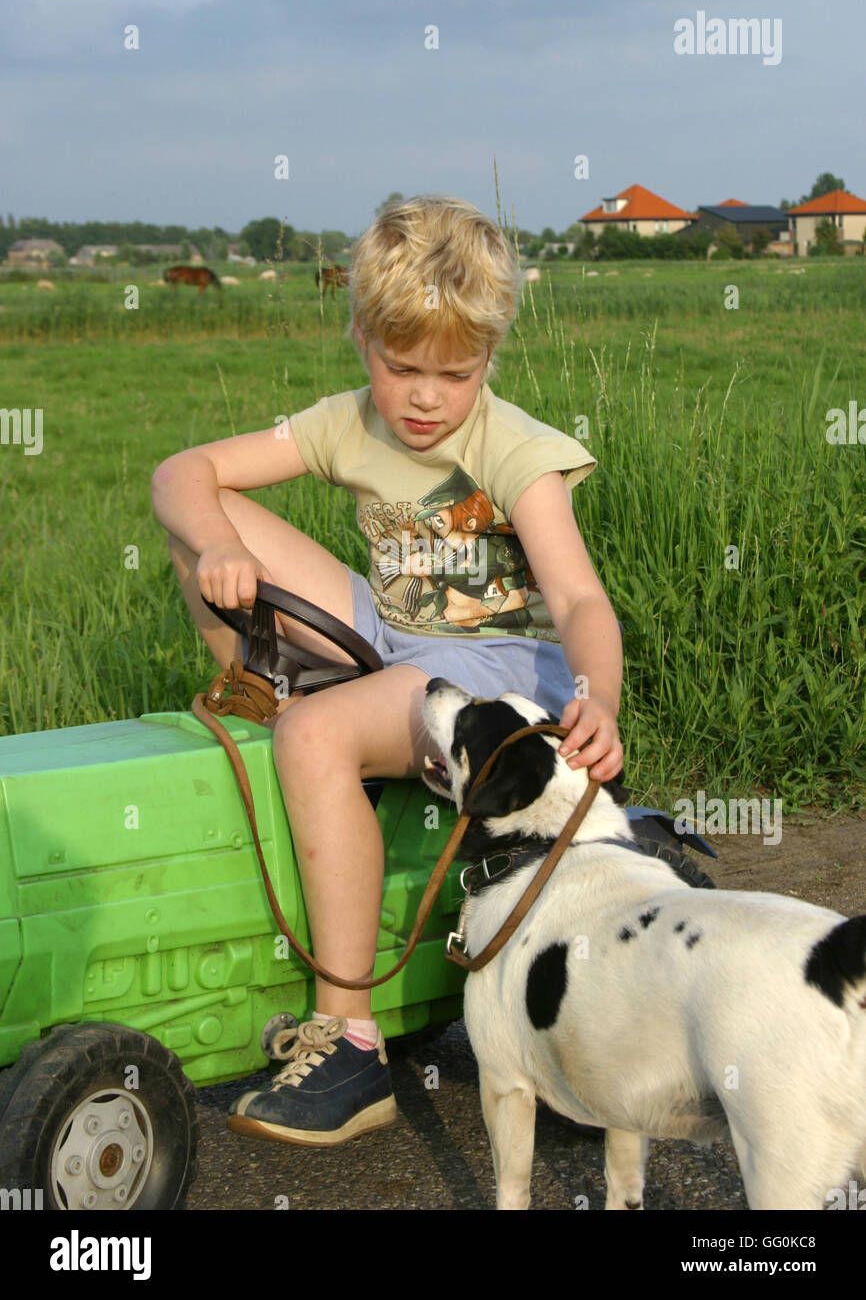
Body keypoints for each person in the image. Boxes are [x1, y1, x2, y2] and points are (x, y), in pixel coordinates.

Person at [150, 195, 624, 1147]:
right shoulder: (352, 420)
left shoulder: (513, 450)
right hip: (397, 634)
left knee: (312, 734)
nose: (423, 398)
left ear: (490, 355)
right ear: (361, 334)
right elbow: (183, 469)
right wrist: (212, 548)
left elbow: (577, 600)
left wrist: (597, 696)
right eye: (401, 366)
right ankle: (275, 693)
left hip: (492, 676)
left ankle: (351, 1042)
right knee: (197, 515)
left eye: (456, 373)